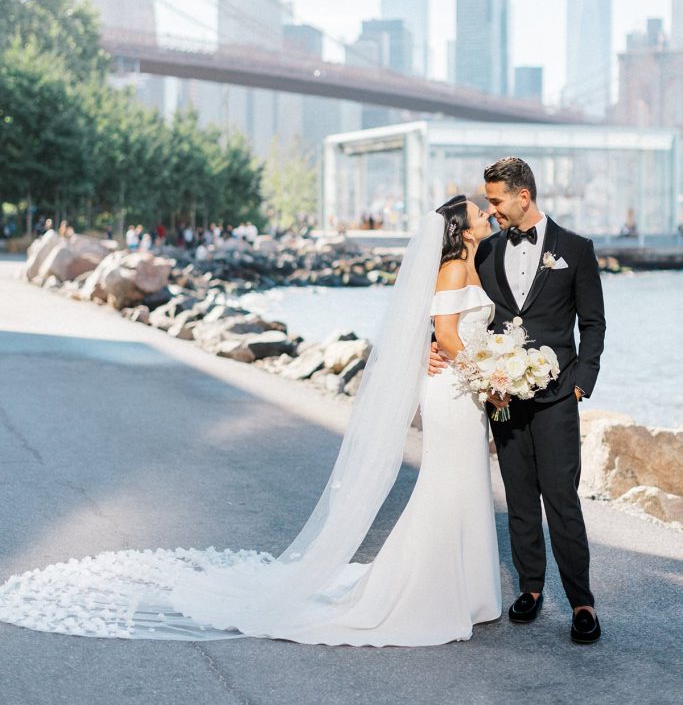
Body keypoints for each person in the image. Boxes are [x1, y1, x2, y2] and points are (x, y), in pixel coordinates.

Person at [0, 198, 502, 645]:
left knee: (464, 485)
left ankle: (467, 588)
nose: (485, 214)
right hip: (456, 391)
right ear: (461, 228)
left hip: (466, 390)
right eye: (479, 212)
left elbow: (453, 336)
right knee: (446, 486)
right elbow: (448, 336)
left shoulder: (474, 264)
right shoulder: (454, 270)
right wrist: (491, 373)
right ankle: (432, 589)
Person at [430, 157, 605, 645]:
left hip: (556, 397)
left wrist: (580, 382)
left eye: (496, 200)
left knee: (562, 499)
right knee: (520, 498)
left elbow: (593, 323)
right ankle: (530, 590)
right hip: (502, 397)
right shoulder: (482, 253)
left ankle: (582, 602)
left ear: (522, 196)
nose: (492, 209)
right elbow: (455, 311)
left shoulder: (576, 249)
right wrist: (431, 344)